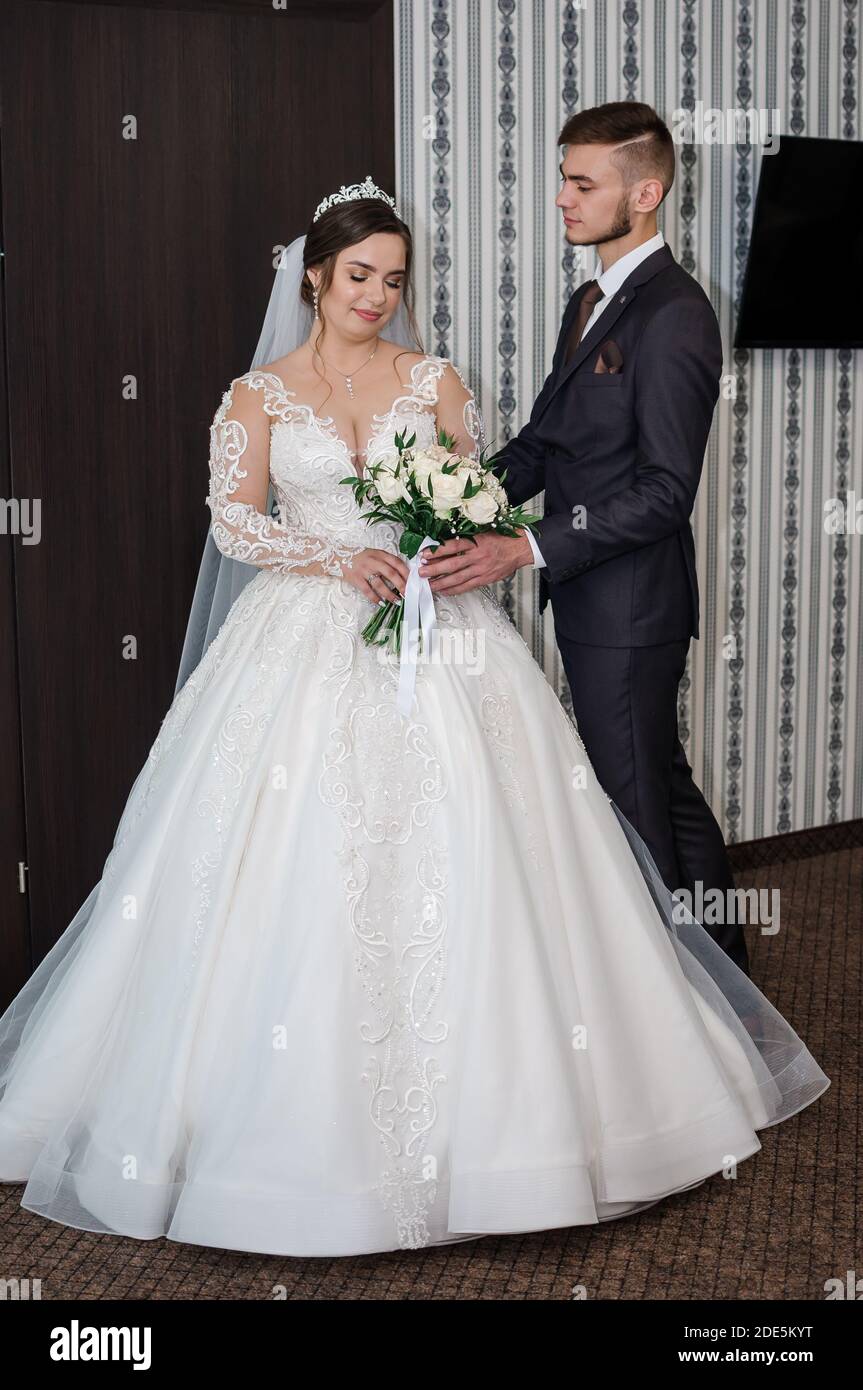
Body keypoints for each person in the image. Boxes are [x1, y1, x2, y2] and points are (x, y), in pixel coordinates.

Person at [0, 177, 829, 1259]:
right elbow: (234, 524)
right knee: (278, 864)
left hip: (440, 640)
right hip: (300, 636)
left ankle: (531, 1132)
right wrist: (335, 555)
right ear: (312, 275)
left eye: (392, 280)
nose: (375, 297)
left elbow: (466, 489)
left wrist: (443, 544)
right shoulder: (256, 394)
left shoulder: (434, 380)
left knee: (483, 852)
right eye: (357, 276)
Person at [419, 103, 749, 974]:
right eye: (562, 177)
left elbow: (664, 493)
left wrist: (522, 548)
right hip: (593, 597)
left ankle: (680, 1004)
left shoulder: (675, 313)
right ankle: (729, 982)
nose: (561, 198)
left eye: (581, 182)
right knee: (661, 786)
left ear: (644, 192)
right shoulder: (590, 298)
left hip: (632, 605)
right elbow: (546, 441)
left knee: (633, 799)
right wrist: (448, 500)